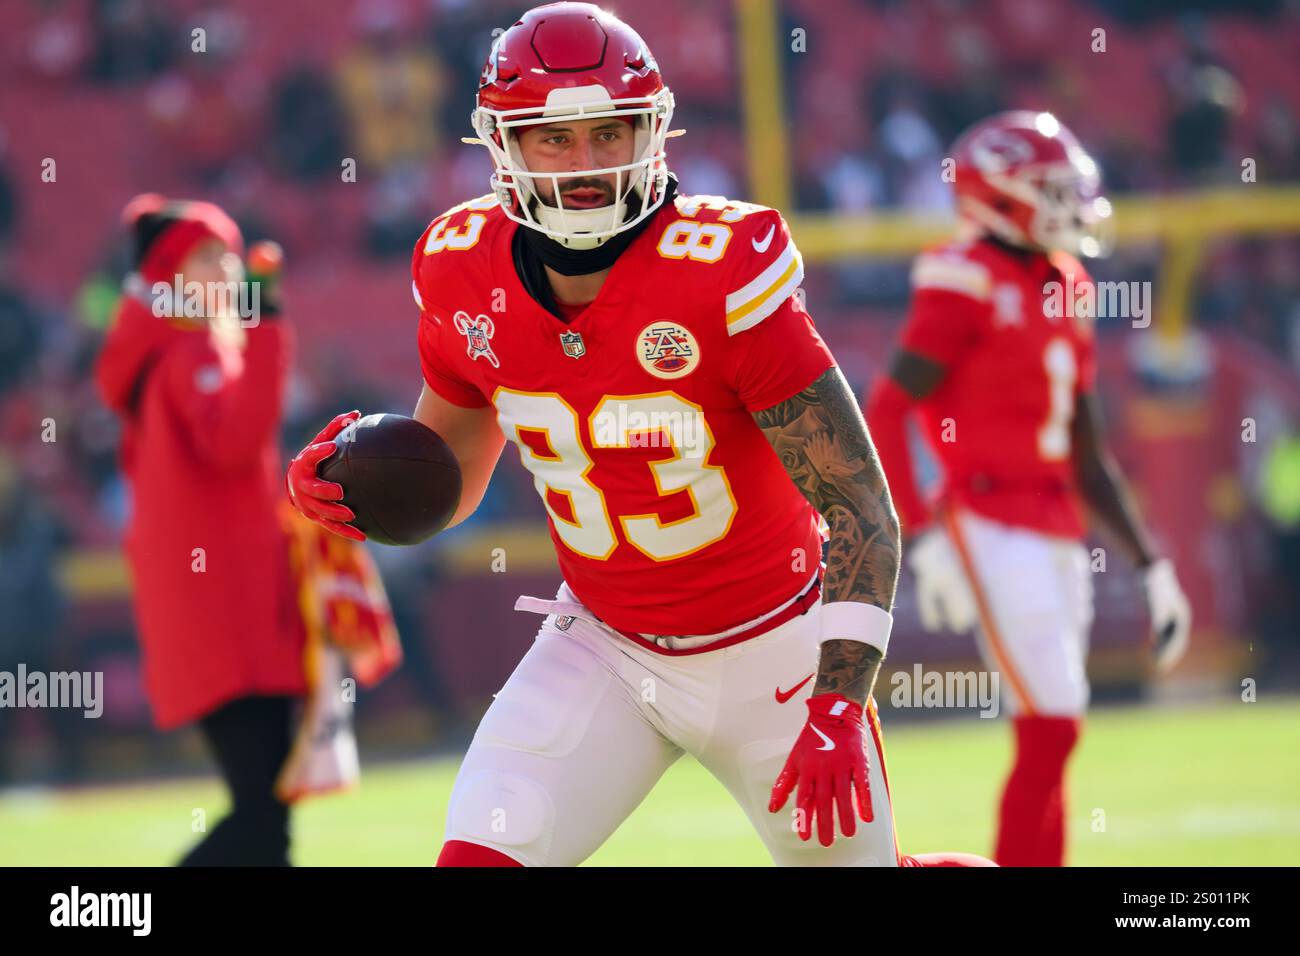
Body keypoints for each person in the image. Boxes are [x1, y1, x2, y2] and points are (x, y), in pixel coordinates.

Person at [288, 2, 990, 868]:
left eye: (609, 132)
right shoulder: (461, 265)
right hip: (606, 643)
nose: (586, 163)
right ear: (503, 144)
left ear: (650, 131)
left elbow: (860, 507)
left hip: (775, 648)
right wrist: (350, 490)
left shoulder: (720, 269)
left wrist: (839, 703)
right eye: (555, 138)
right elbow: (449, 474)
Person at [864, 112, 1193, 866]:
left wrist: (1151, 564)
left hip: (1056, 523)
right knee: (1055, 723)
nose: (1071, 205)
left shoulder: (1068, 282)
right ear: (1000, 196)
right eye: (1052, 189)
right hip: (986, 515)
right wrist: (923, 535)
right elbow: (888, 406)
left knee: (1053, 731)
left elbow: (1085, 447)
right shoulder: (965, 274)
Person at [96, 195, 399, 864]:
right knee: (263, 819)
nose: (228, 269)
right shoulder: (191, 352)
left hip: (217, 606)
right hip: (228, 612)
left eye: (229, 254)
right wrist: (266, 325)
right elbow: (235, 444)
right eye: (207, 256)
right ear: (168, 276)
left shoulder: (166, 351)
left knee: (266, 820)